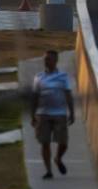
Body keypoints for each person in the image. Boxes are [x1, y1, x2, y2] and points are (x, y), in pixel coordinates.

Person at [31, 49, 74, 180]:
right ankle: (48, 171)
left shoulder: (63, 77)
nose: (46, 61)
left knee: (63, 142)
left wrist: (71, 112)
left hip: (59, 113)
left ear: (55, 61)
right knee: (45, 142)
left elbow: (68, 95)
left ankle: (58, 158)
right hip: (42, 114)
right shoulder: (39, 77)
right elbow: (35, 97)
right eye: (45, 59)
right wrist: (32, 115)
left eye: (48, 59)